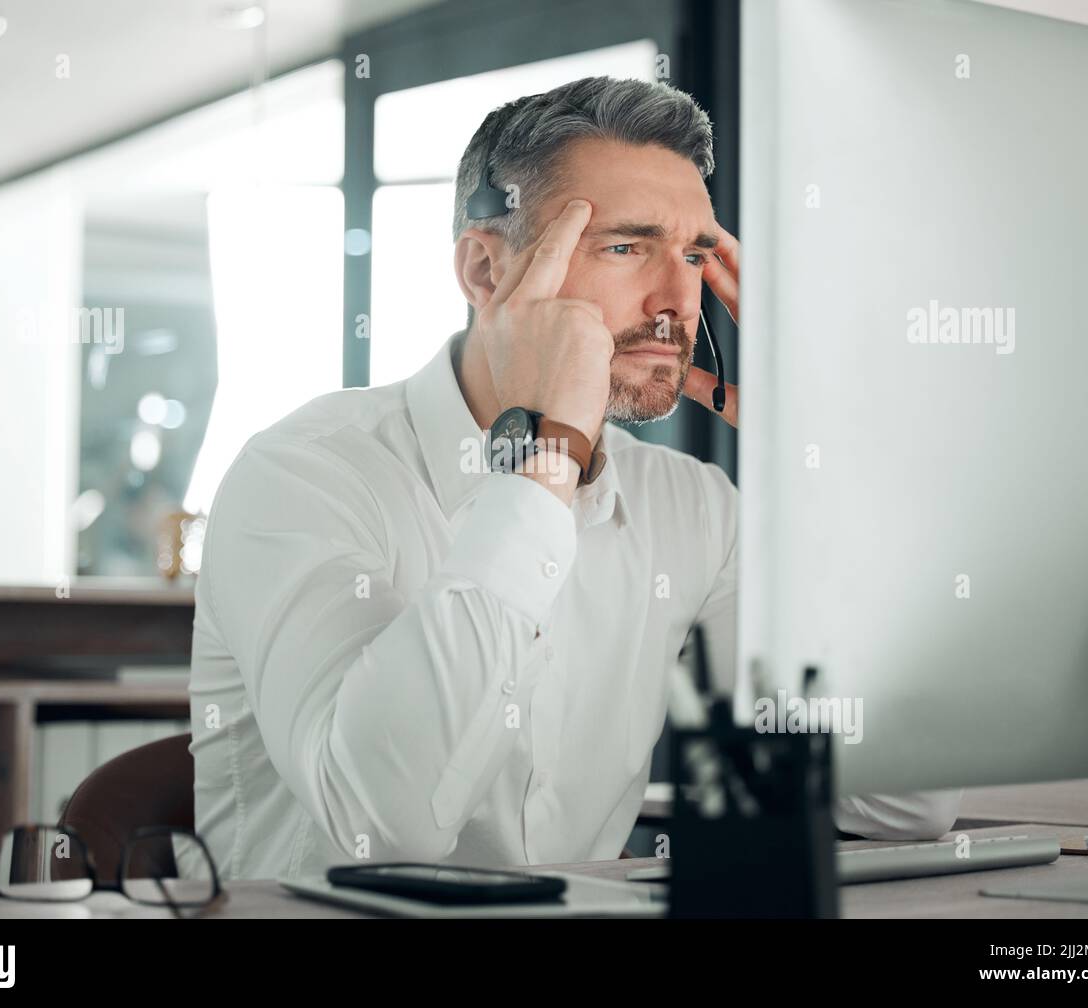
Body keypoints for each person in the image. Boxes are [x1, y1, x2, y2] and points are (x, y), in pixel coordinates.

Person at [186, 76, 962, 881]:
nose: (678, 300)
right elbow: (379, 827)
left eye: (695, 254)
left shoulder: (692, 508)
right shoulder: (302, 473)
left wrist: (822, 462)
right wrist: (544, 456)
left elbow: (900, 804)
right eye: (626, 247)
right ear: (486, 273)